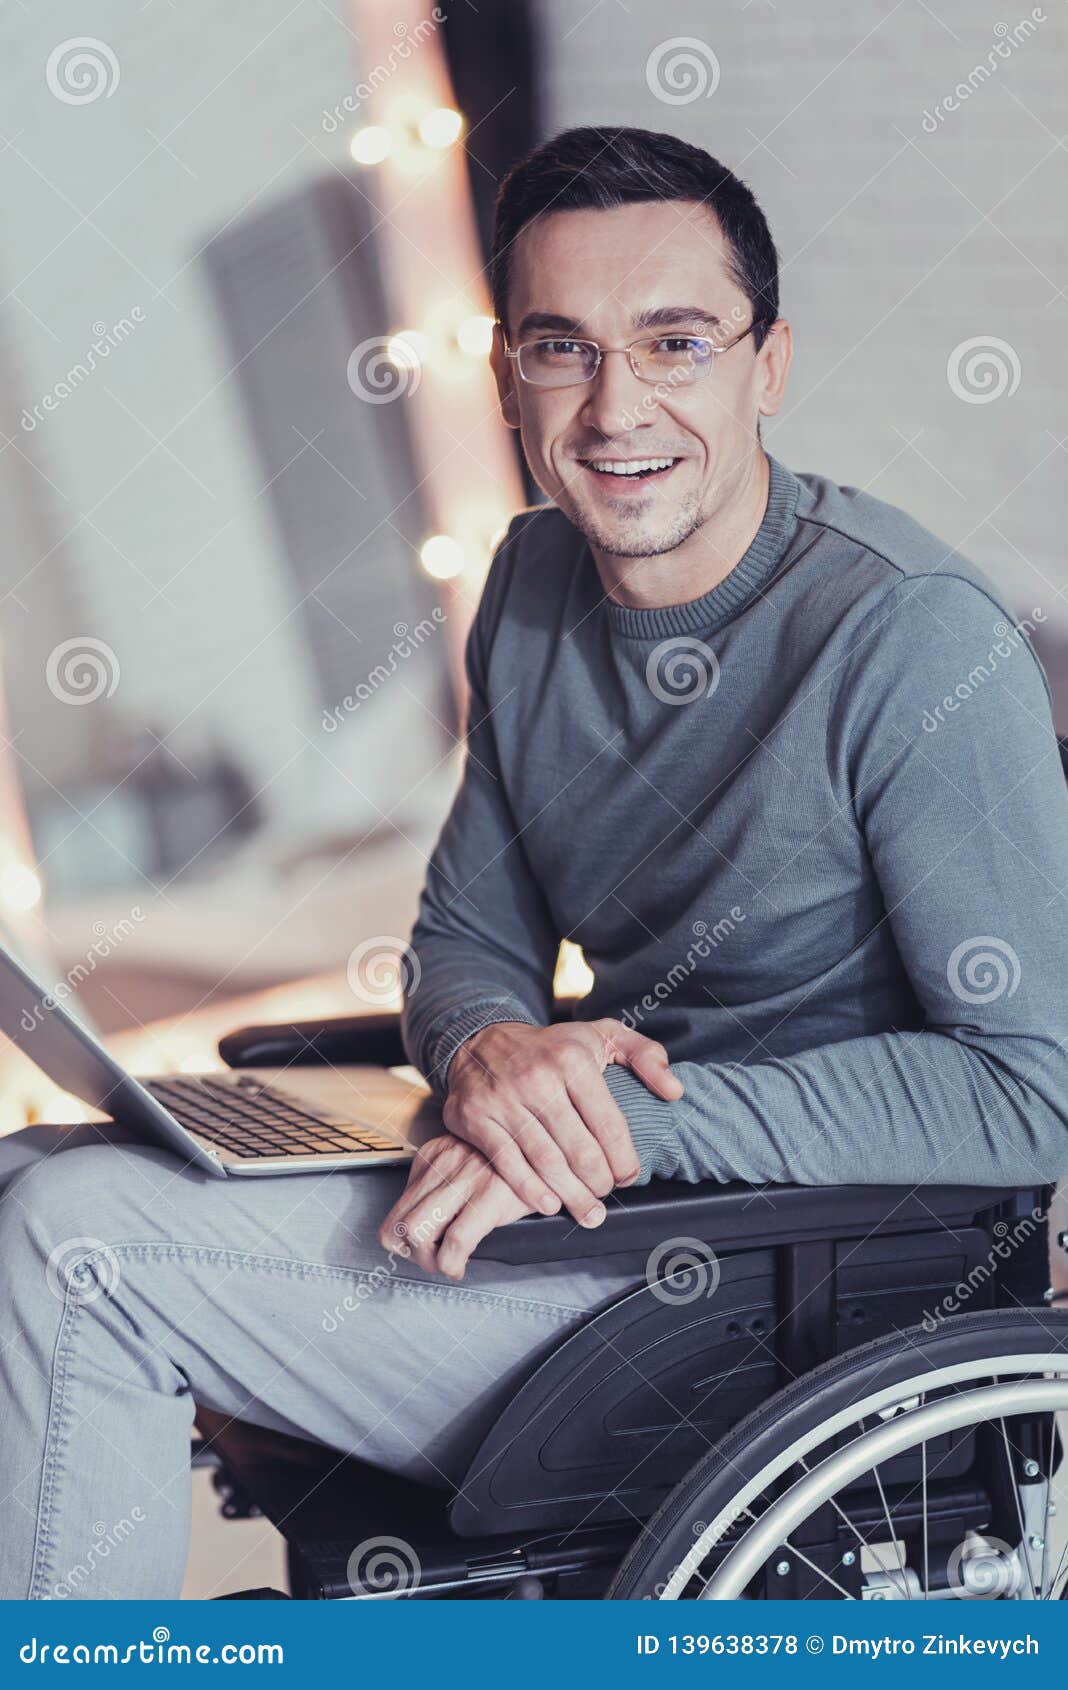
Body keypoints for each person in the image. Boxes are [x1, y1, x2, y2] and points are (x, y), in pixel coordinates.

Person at [1, 124, 1066, 1600]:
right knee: (22, 1172)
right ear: (507, 376)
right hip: (577, 1219)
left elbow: (1029, 1092)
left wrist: (618, 1121)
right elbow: (467, 939)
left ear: (770, 364)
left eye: (675, 342)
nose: (616, 406)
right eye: (561, 349)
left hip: (759, 1287)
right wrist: (497, 1046)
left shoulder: (910, 641)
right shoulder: (530, 582)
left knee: (72, 1243)